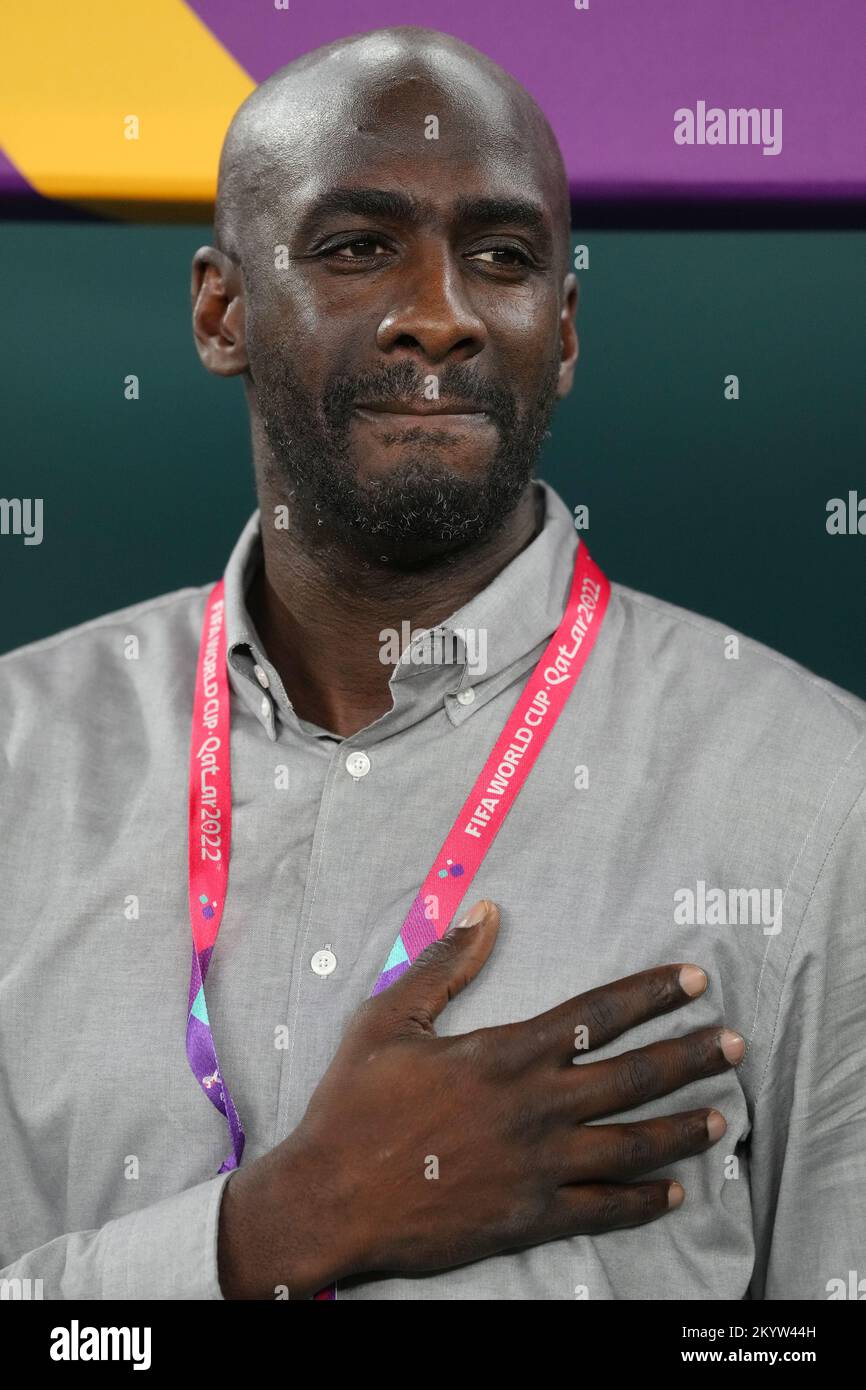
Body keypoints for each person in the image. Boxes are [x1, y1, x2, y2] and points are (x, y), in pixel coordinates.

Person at [1, 25, 864, 1303]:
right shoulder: (19, 758)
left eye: (501, 258)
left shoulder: (817, 798)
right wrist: (261, 1239)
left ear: (560, 332)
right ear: (220, 309)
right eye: (357, 247)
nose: (439, 315)